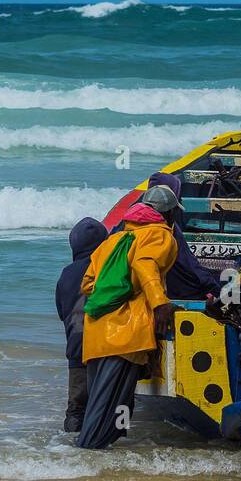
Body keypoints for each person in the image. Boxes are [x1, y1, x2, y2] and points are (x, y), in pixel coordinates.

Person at [77, 184, 180, 449]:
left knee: (100, 404)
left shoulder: (112, 240)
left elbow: (88, 284)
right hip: (126, 335)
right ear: (168, 215)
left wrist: (119, 287)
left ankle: (88, 453)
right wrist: (160, 303)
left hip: (97, 331)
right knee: (108, 409)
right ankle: (85, 459)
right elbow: (145, 265)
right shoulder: (160, 235)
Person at [54, 217, 109, 432]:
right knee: (105, 409)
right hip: (104, 349)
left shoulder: (66, 274)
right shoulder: (107, 269)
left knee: (76, 410)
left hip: (76, 351)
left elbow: (62, 311)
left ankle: (69, 453)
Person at [144, 171, 222, 300]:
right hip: (171, 292)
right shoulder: (168, 232)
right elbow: (191, 267)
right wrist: (214, 288)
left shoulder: (126, 226)